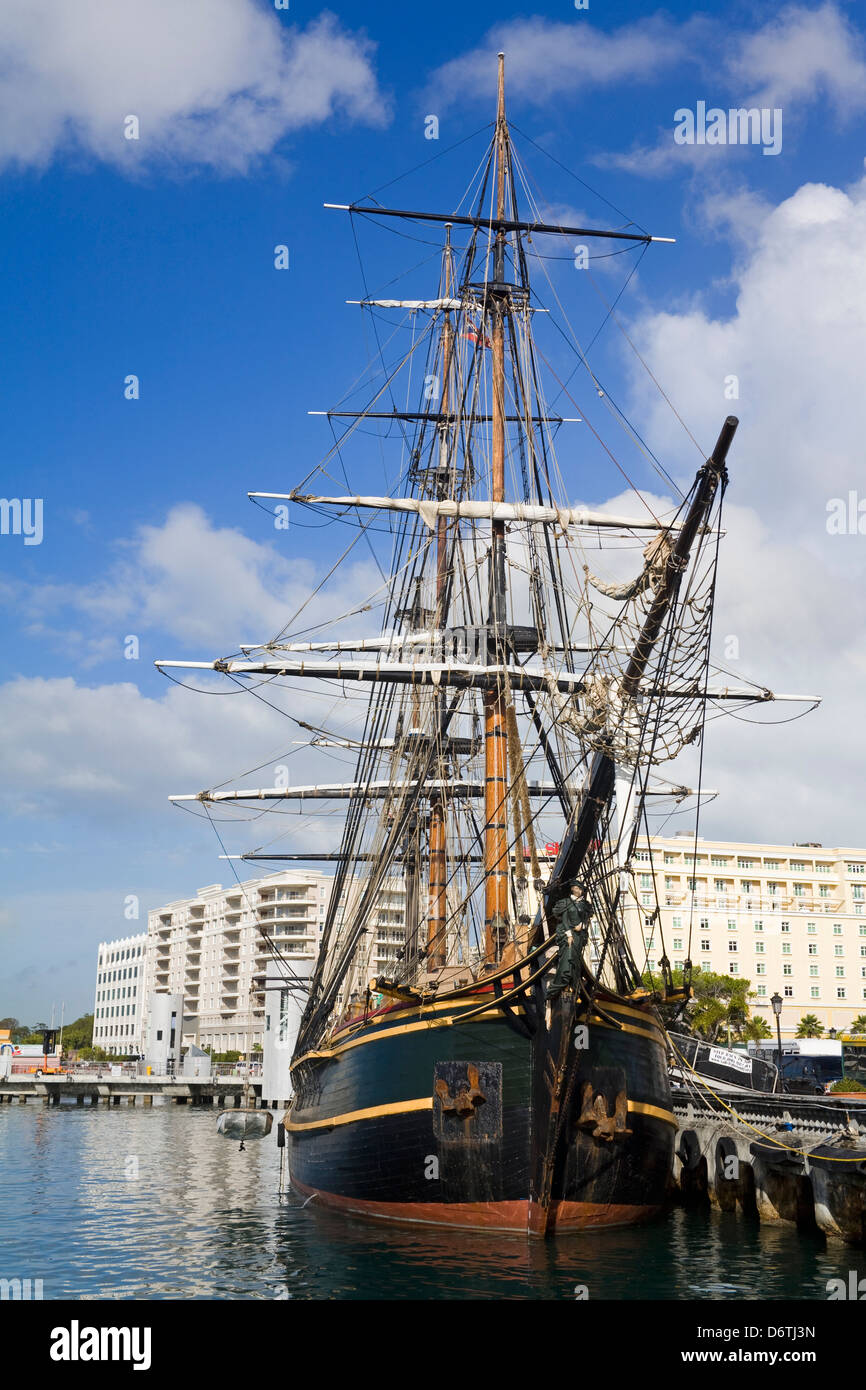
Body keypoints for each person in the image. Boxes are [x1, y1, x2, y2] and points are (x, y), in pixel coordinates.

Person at [546, 882, 593, 1000]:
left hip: (579, 936)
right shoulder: (566, 903)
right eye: (576, 888)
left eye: (580, 888)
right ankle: (559, 986)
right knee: (567, 959)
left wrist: (581, 925)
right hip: (568, 935)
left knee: (576, 962)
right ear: (572, 889)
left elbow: (586, 918)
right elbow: (564, 920)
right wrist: (569, 934)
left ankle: (573, 986)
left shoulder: (584, 904)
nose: (579, 890)